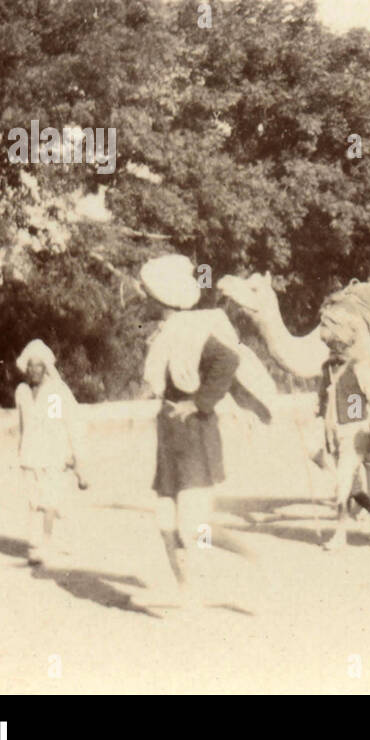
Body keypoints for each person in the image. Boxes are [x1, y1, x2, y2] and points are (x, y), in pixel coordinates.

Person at [139, 254, 272, 608]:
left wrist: (198, 403)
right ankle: (187, 590)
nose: (145, 301)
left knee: (193, 528)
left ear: (161, 298)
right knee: (164, 521)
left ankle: (254, 558)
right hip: (170, 433)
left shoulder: (190, 329)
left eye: (149, 296)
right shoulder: (167, 332)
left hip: (194, 432)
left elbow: (227, 360)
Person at [14, 340, 86, 566]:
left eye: (38, 365)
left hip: (51, 454)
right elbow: (22, 425)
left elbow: (57, 424)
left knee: (49, 501)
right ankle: (55, 541)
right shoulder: (22, 392)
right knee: (35, 501)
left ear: (46, 368)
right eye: (30, 366)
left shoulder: (54, 392)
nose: (33, 370)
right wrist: (21, 451)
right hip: (29, 454)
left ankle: (43, 545)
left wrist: (70, 455)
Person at [318, 345, 370, 551]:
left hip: (354, 432)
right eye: (331, 345)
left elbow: (366, 404)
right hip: (333, 433)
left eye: (338, 344)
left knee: (343, 481)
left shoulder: (358, 368)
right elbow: (323, 401)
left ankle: (340, 535)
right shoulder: (327, 369)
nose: (334, 349)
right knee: (351, 485)